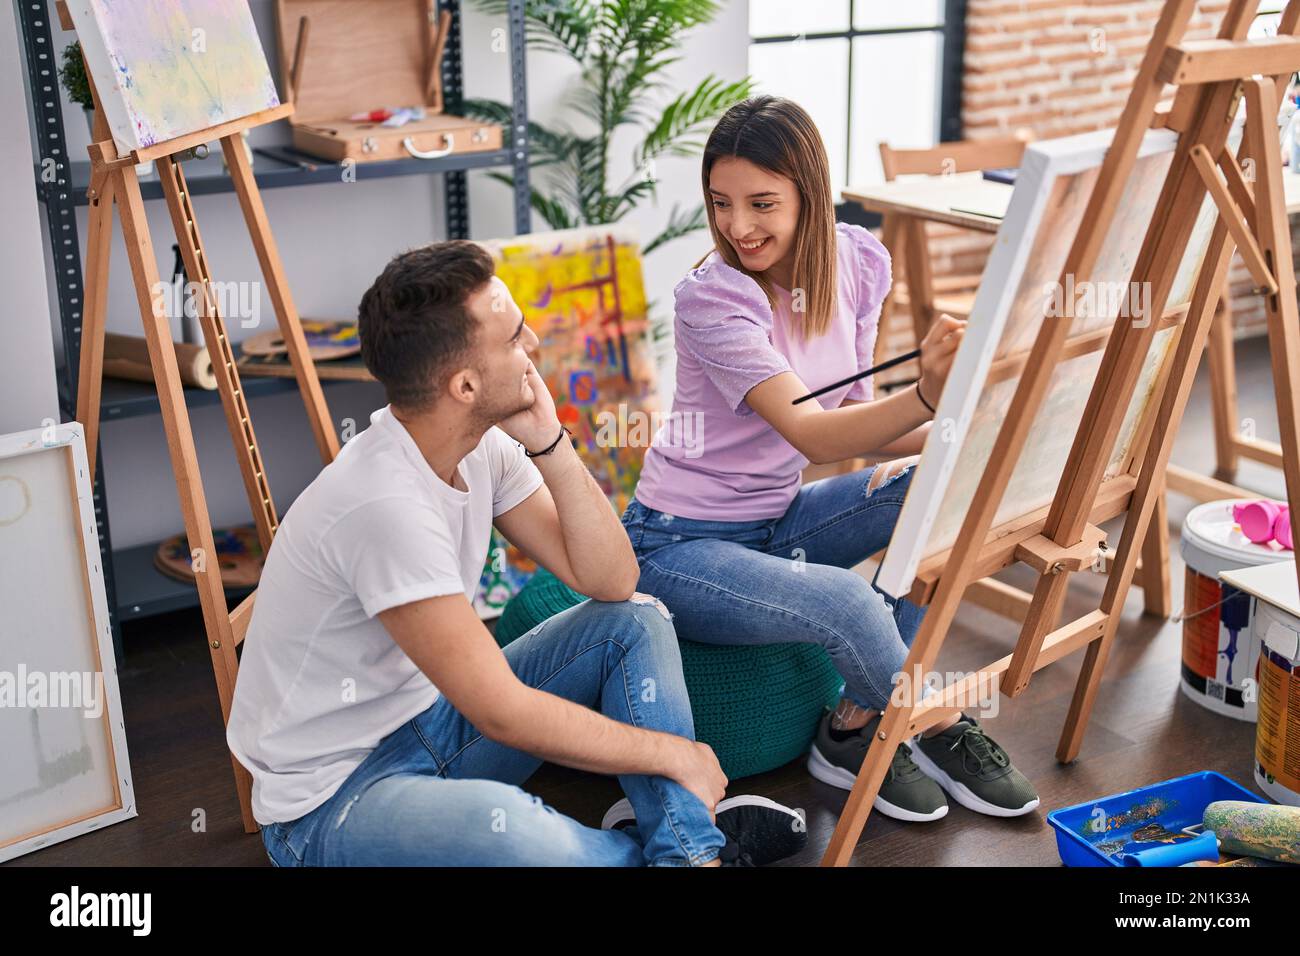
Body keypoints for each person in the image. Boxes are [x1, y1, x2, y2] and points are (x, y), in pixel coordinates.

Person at [226, 240, 807, 866]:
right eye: (512, 337)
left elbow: (613, 580)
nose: (532, 344)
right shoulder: (383, 507)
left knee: (636, 619)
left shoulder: (483, 445)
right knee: (511, 833)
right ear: (465, 384)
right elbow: (502, 713)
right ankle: (688, 844)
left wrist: (550, 442)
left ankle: (689, 852)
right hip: (331, 803)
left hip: (431, 725)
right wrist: (674, 754)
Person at [621, 95, 1039, 822]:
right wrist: (930, 395)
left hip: (777, 523)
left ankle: (851, 730)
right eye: (721, 203)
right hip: (677, 545)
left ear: (809, 194)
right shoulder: (713, 300)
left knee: (939, 490)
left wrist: (963, 435)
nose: (737, 227)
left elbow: (854, 418)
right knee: (848, 600)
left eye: (761, 204)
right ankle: (935, 723)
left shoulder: (858, 263)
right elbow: (812, 437)